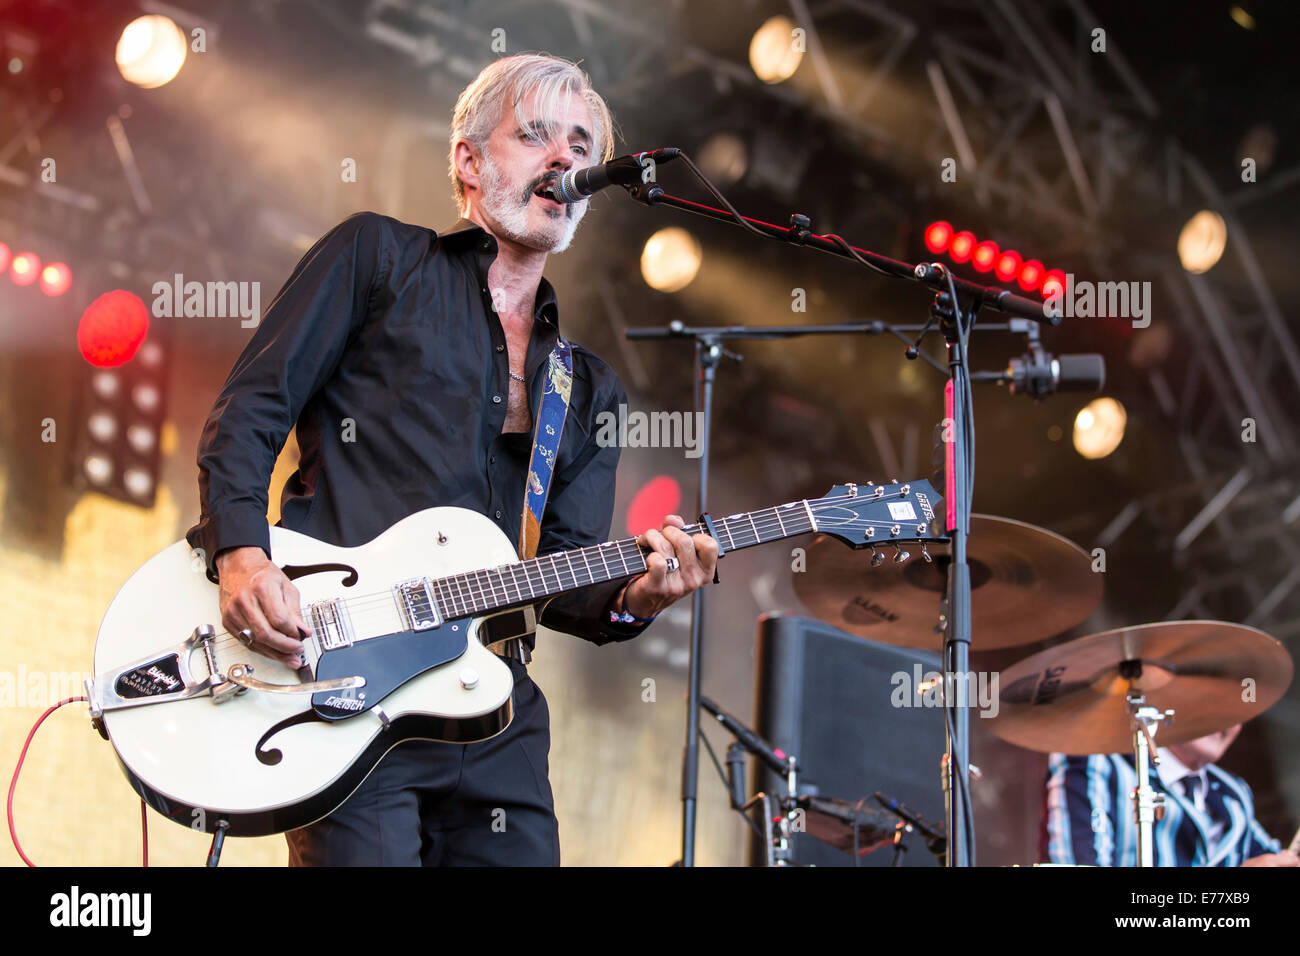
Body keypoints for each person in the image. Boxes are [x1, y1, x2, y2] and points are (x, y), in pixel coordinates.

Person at [184, 53, 719, 866]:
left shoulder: (588, 389)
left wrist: (642, 594)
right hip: (346, 686)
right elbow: (253, 408)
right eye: (534, 134)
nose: (566, 159)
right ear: (469, 162)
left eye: (580, 142)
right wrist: (241, 555)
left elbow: (569, 574)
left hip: (494, 710)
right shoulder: (378, 261)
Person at [1040, 724, 1297, 867]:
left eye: (1238, 707)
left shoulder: (1232, 792)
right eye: (1213, 698)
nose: (1225, 717)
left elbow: (1274, 858)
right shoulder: (1099, 762)